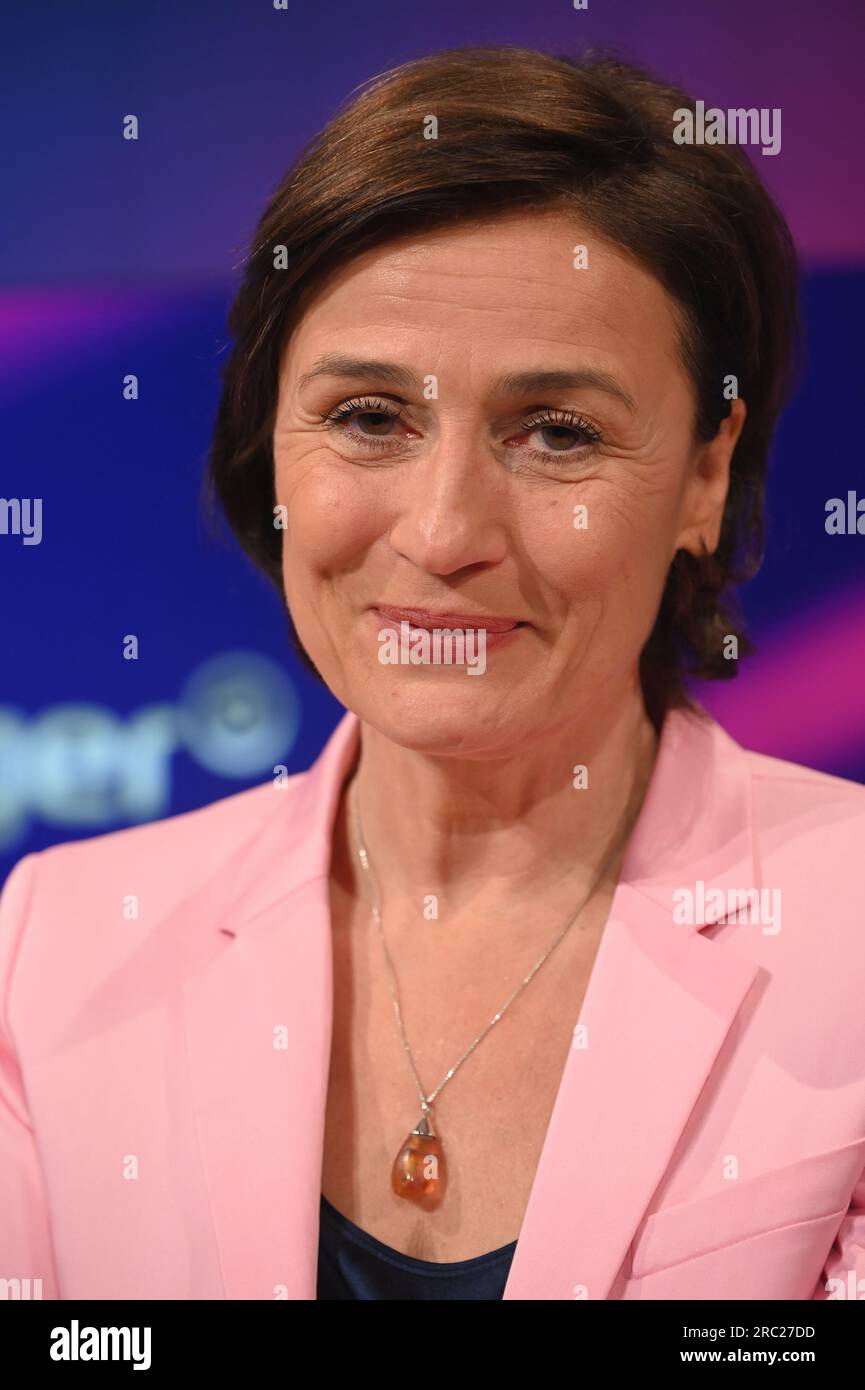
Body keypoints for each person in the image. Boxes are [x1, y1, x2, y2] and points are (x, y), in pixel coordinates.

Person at [2, 46, 864, 1302]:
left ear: (702, 472)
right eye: (368, 418)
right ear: (271, 445)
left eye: (557, 432)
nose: (446, 531)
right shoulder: (57, 946)